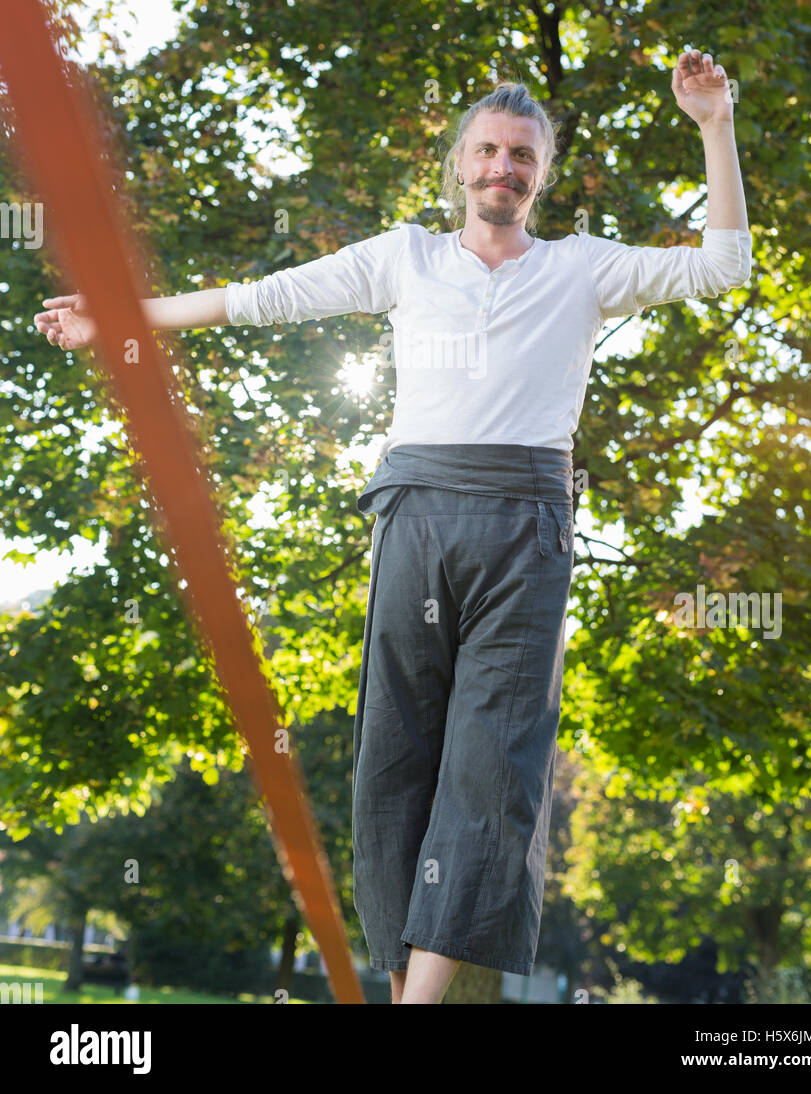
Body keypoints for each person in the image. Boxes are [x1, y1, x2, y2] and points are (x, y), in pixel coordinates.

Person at [34, 50, 751, 1004]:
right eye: (490, 151)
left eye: (524, 156)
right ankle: (400, 974)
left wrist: (713, 125)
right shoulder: (404, 258)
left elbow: (724, 266)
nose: (506, 167)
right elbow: (261, 299)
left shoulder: (585, 269)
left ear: (543, 172)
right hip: (416, 514)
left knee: (496, 762)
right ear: (460, 164)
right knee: (396, 757)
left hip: (528, 528)